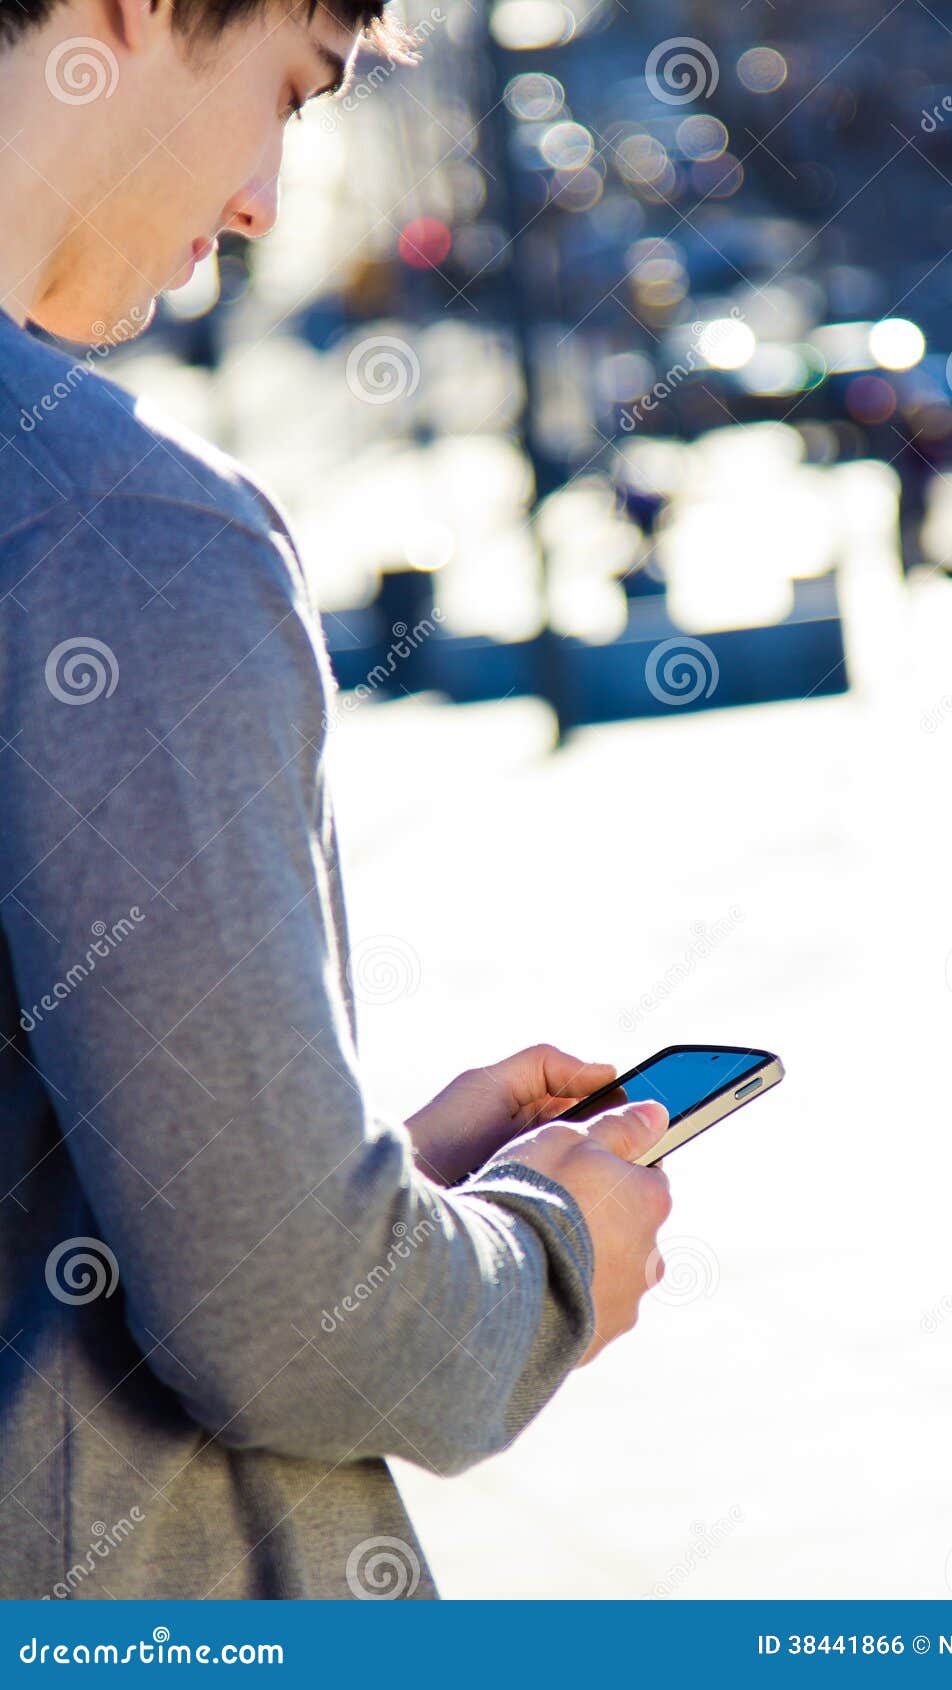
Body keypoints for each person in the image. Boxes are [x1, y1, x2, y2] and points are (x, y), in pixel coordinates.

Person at [0, 0, 673, 1600]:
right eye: (286, 95)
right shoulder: (113, 532)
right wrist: (548, 1255)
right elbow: (298, 1325)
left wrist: (340, 1180)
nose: (257, 205)